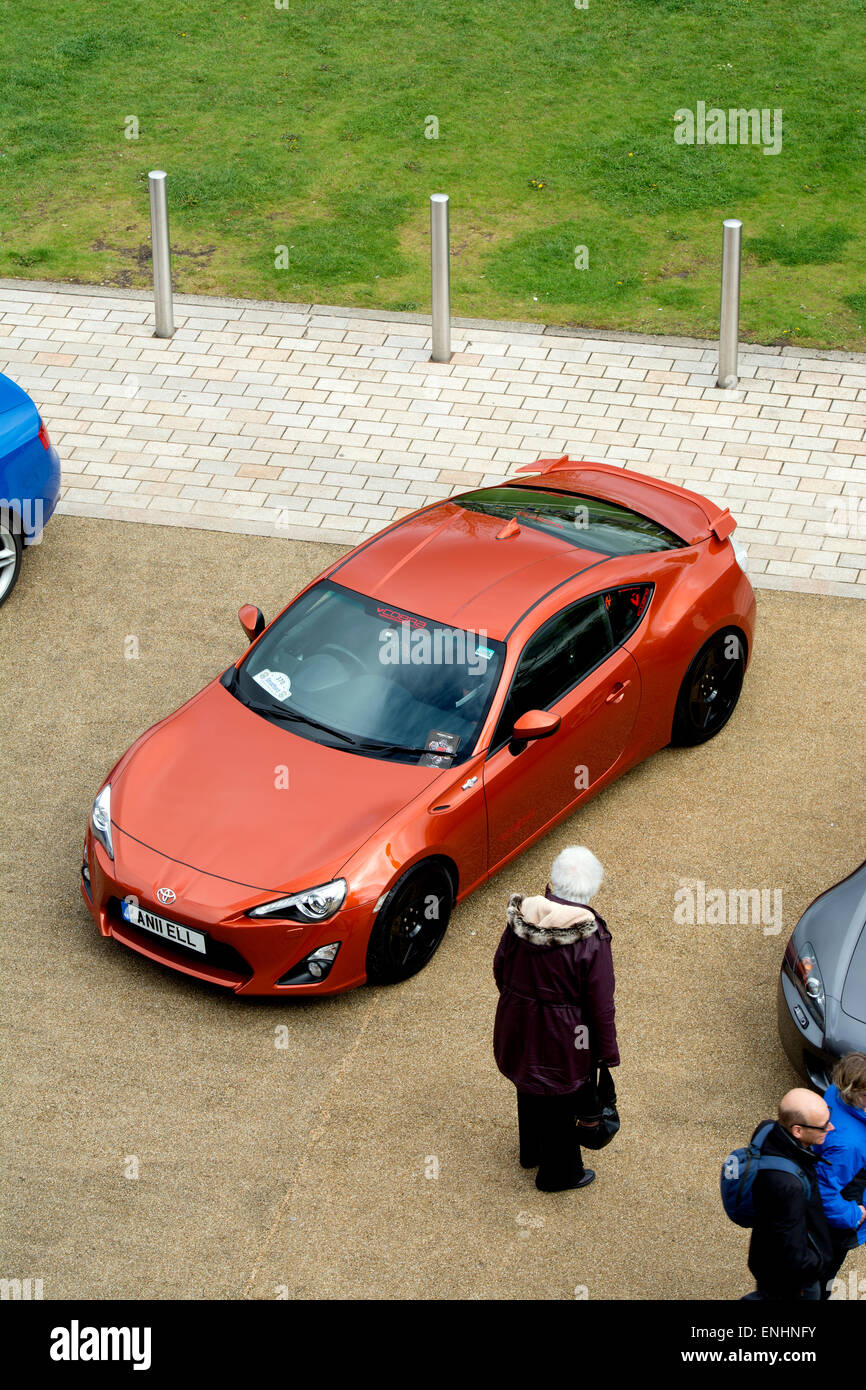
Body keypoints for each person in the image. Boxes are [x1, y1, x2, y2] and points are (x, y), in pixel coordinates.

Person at [493, 845, 619, 1193]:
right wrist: (607, 1051)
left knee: (528, 1083)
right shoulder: (591, 939)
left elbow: (500, 968)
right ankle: (558, 1173)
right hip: (565, 1034)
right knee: (561, 1099)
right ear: (591, 889)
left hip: (518, 1021)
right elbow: (600, 1004)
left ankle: (531, 1151)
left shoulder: (522, 919)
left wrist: (519, 1003)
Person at [745, 1089, 835, 1300]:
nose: (831, 1127)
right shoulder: (788, 1186)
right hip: (791, 1283)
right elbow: (793, 1253)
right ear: (797, 1131)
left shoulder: (768, 1131)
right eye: (823, 1125)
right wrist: (817, 1265)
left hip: (764, 1256)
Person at [816, 1052, 866, 1298]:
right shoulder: (849, 1145)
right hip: (837, 1228)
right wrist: (854, 1215)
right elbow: (825, 1191)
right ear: (857, 1094)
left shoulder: (834, 1094)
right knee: (821, 1278)